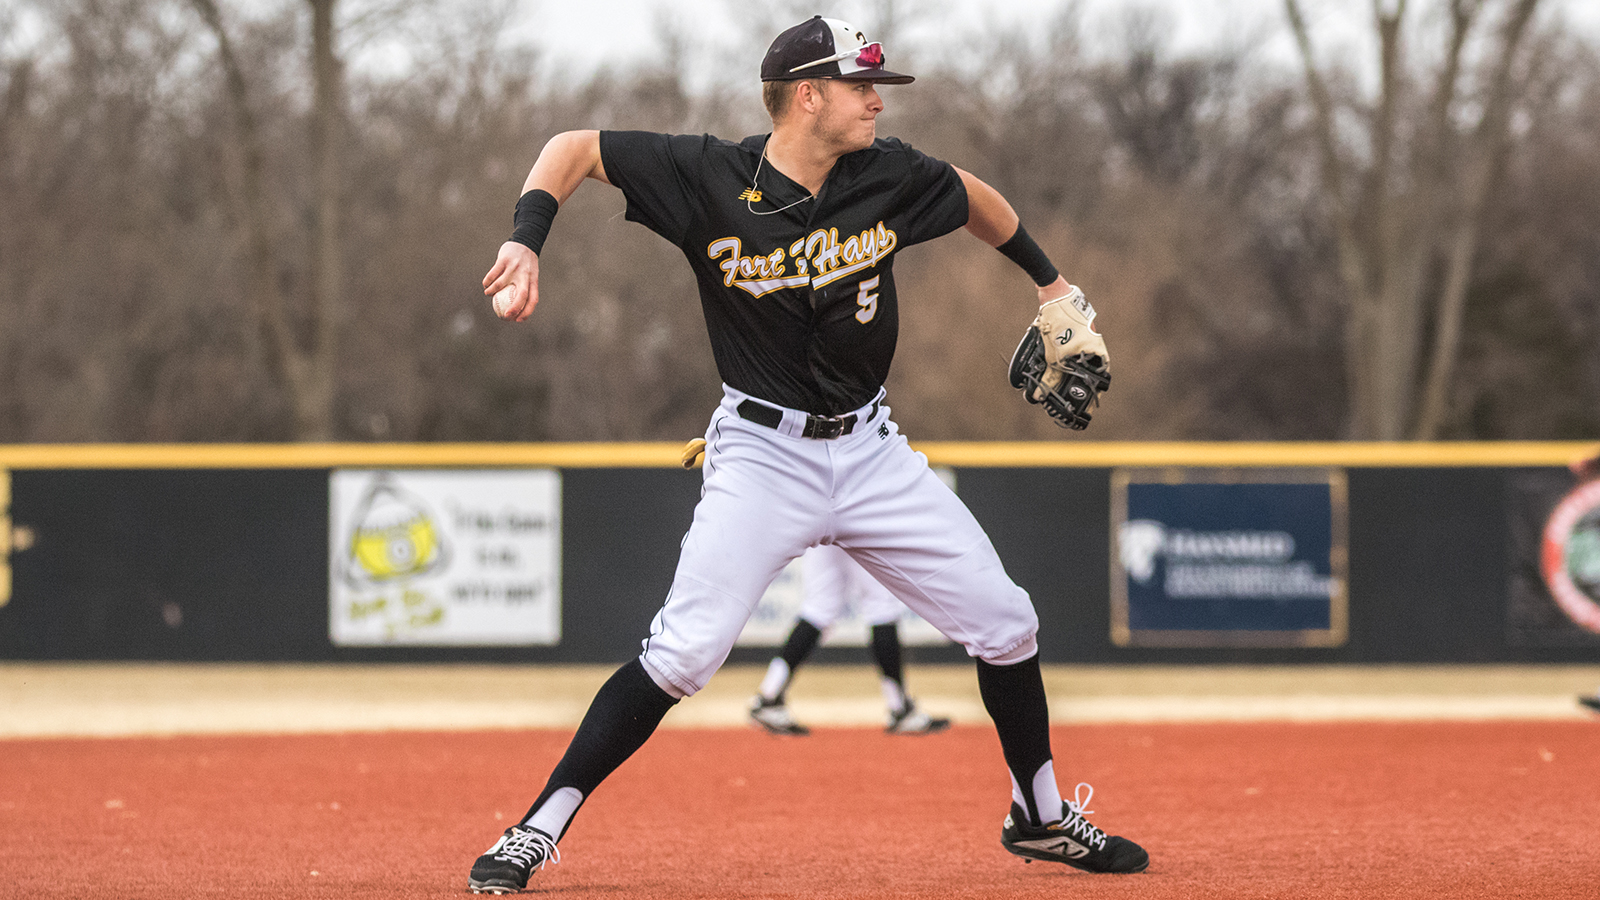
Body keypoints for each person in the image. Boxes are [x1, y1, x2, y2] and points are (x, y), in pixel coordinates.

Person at [468, 15, 1149, 893]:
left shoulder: (889, 174)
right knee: (680, 658)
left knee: (1009, 624)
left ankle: (1043, 817)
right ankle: (536, 829)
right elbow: (572, 148)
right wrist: (526, 238)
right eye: (861, 85)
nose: (876, 99)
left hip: (872, 450)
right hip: (762, 456)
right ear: (807, 95)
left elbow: (977, 197)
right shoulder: (707, 176)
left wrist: (1053, 284)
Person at [749, 543, 952, 736]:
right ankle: (899, 709)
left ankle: (769, 696)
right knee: (881, 605)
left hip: (823, 525)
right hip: (857, 518)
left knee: (819, 608)